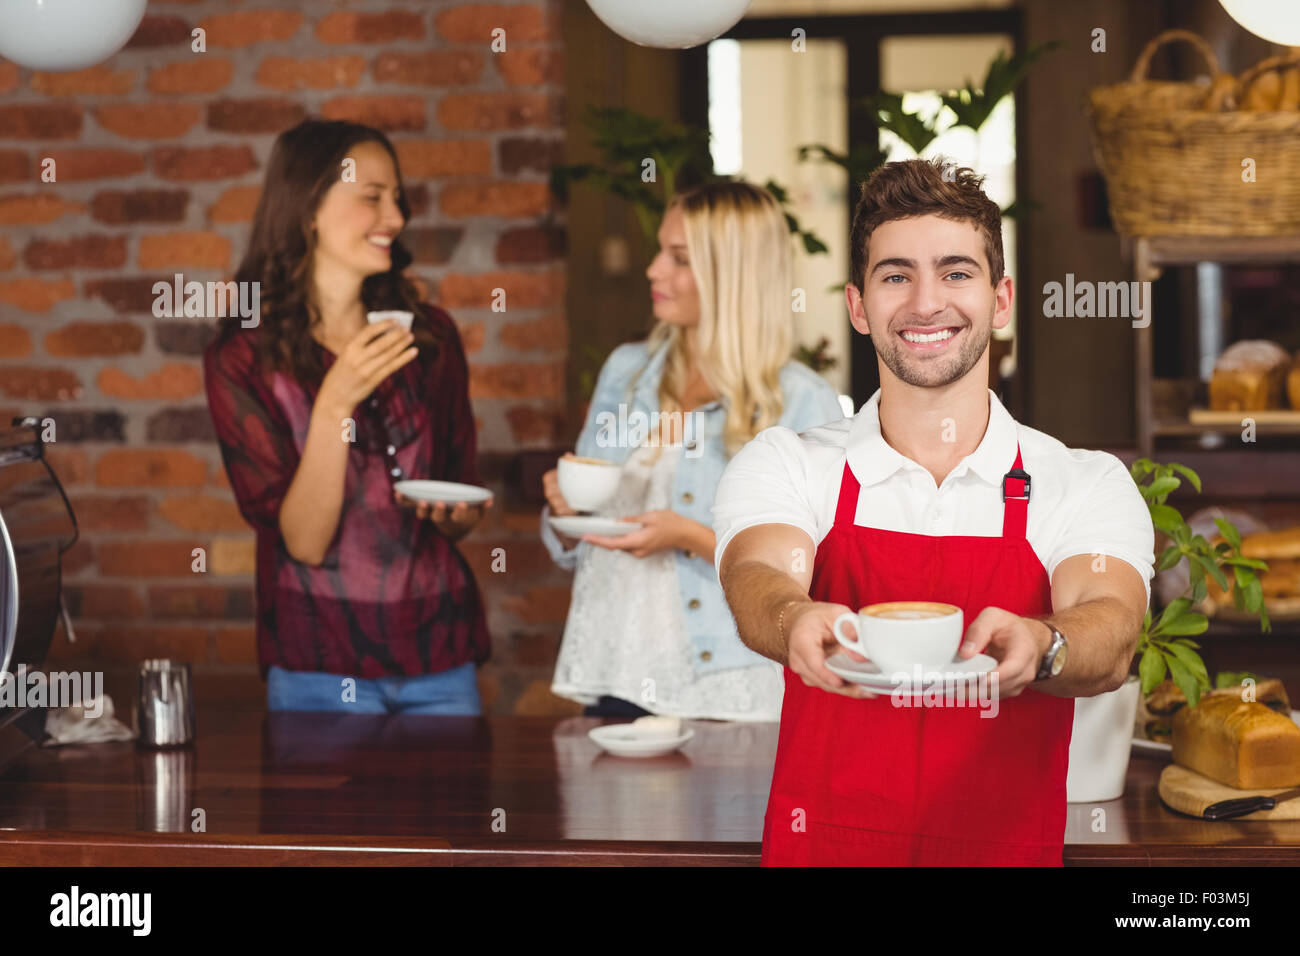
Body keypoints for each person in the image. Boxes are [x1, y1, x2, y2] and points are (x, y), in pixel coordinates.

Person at [713, 157, 1155, 864]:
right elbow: (757, 573)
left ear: (1001, 299)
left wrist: (1044, 645)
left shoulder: (1083, 481)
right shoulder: (790, 463)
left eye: (955, 273)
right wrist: (794, 616)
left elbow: (1110, 625)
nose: (925, 303)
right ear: (858, 306)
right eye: (896, 276)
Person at [204, 119, 490, 715]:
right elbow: (304, 543)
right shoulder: (243, 359)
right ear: (308, 208)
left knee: (453, 811)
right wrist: (336, 400)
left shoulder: (430, 336)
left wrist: (456, 516)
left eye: (397, 198)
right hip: (319, 660)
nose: (395, 218)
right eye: (371, 197)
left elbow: (458, 505)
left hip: (441, 650)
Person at [541, 180, 845, 721]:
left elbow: (817, 570)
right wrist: (565, 509)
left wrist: (685, 536)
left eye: (678, 258)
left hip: (731, 683)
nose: (653, 269)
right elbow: (581, 529)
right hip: (618, 669)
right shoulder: (627, 372)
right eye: (662, 251)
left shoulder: (802, 399)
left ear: (733, 275)